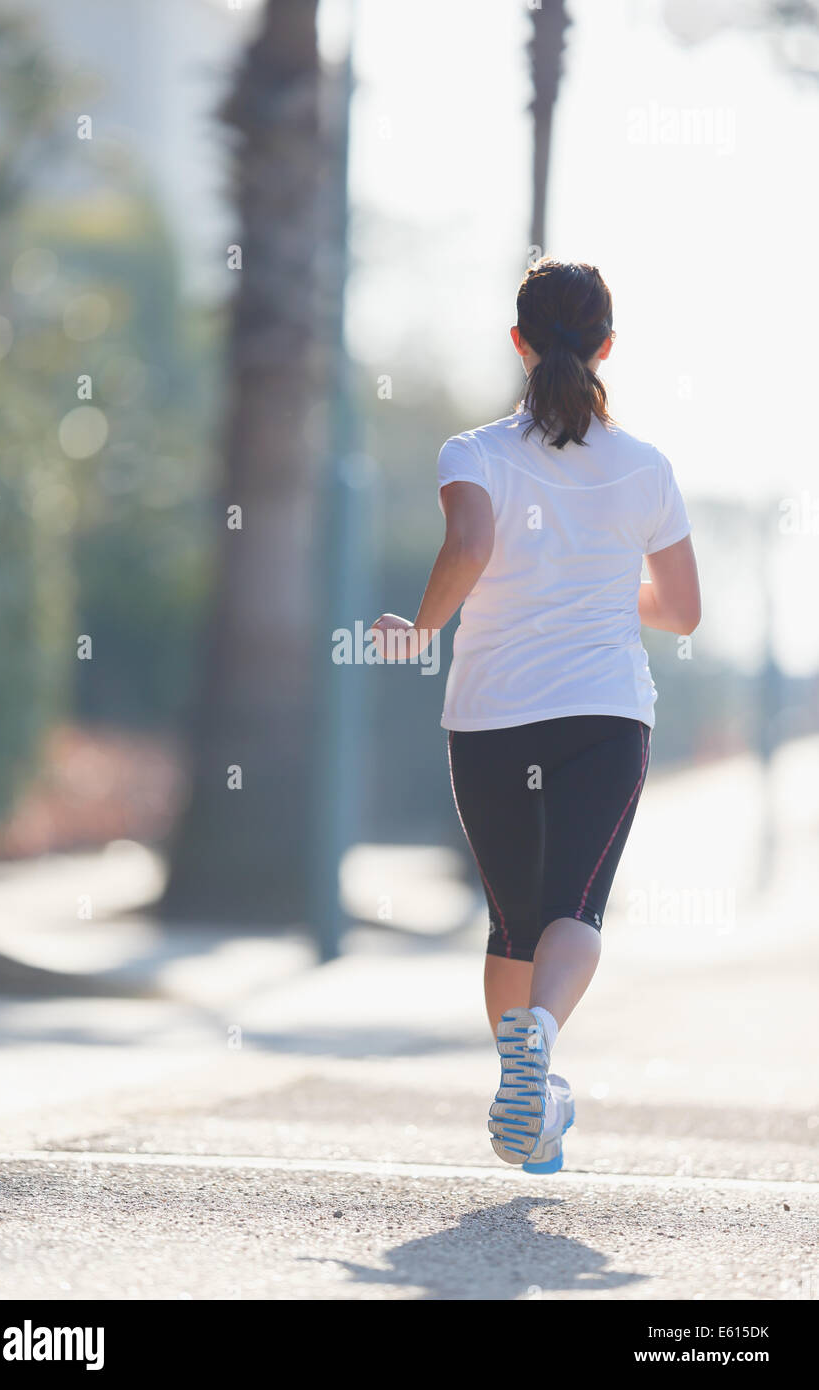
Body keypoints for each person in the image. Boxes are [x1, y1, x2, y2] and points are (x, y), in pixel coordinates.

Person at [371, 257, 701, 1175]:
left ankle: (531, 1089)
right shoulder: (645, 467)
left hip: (490, 718)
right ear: (607, 348)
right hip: (602, 713)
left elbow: (471, 544)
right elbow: (680, 610)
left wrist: (421, 628)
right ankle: (541, 1047)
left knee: (513, 924)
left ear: (517, 345)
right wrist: (598, 582)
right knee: (577, 907)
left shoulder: (470, 452)